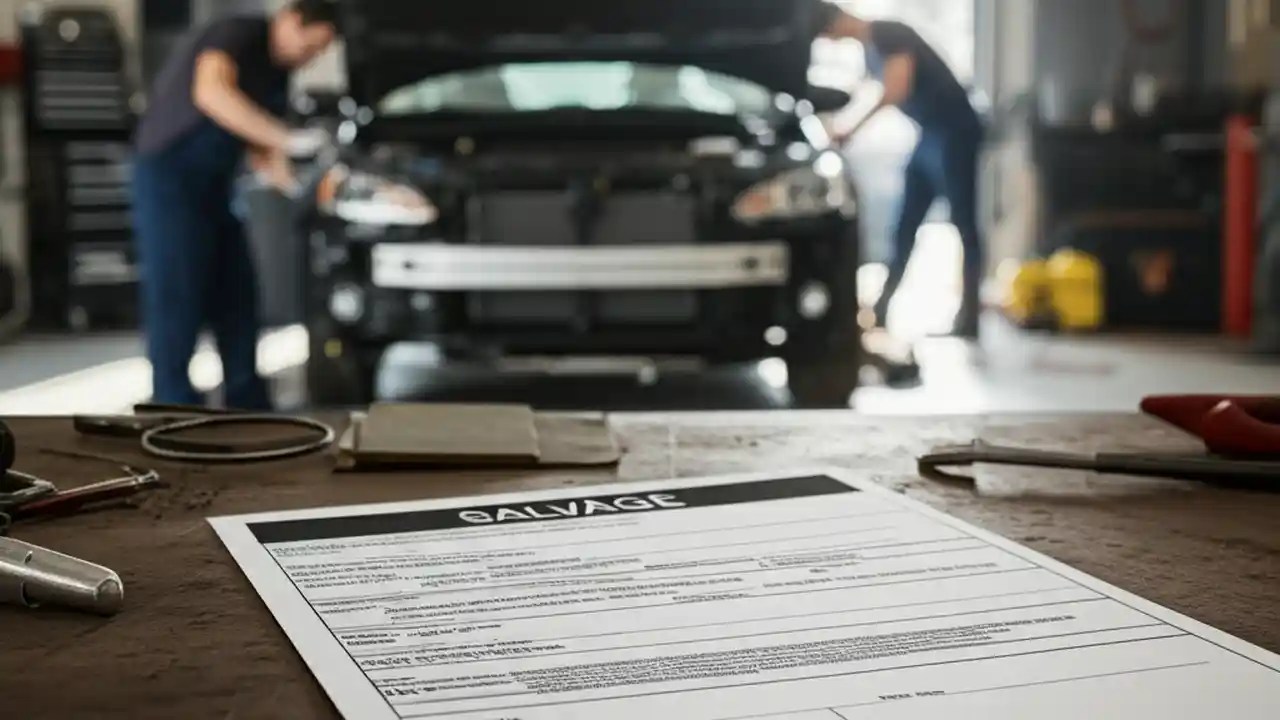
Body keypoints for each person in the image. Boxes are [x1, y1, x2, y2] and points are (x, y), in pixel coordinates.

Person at [131, 1, 338, 408]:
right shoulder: (239, 32)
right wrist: (290, 139)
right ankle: (172, 408)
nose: (310, 57)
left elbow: (264, 150)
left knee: (238, 294)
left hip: (217, 187)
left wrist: (308, 184)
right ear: (292, 20)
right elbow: (211, 92)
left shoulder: (279, 74)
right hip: (169, 176)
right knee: (179, 294)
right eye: (311, 46)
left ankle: (250, 408)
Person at [817, 4, 985, 338]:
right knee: (905, 222)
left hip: (955, 132)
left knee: (964, 223)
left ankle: (970, 319)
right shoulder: (868, 52)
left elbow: (897, 88)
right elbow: (866, 90)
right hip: (928, 135)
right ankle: (880, 309)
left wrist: (852, 128)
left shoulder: (888, 33)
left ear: (836, 23)